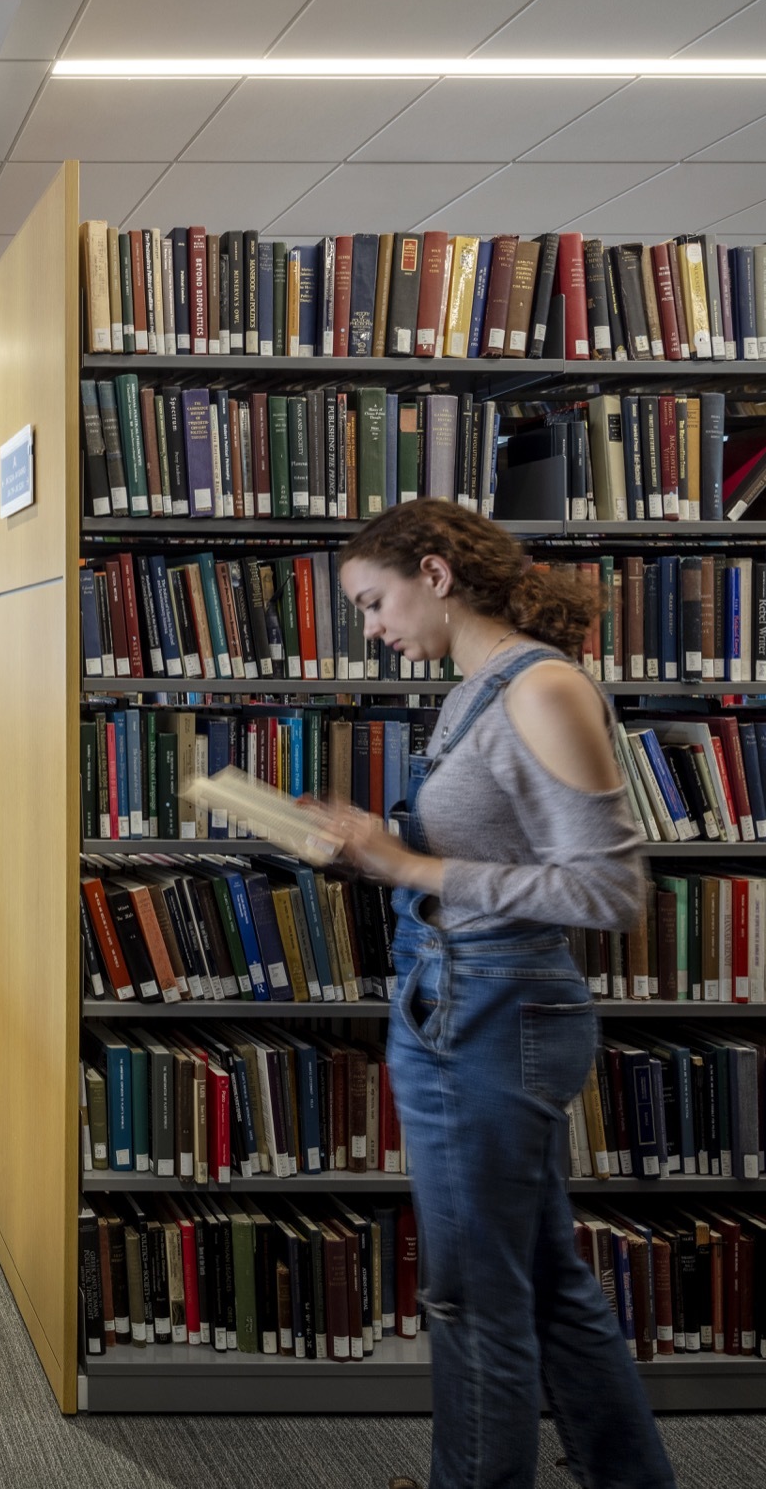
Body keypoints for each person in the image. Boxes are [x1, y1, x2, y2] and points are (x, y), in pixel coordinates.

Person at [310, 500, 672, 1489]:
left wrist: (409, 869)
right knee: (544, 1282)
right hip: (450, 992)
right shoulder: (470, 686)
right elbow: (486, 842)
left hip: (497, 1008)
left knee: (473, 1296)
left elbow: (605, 891)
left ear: (433, 573)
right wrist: (360, 839)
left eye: (374, 601)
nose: (372, 628)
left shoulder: (543, 688)